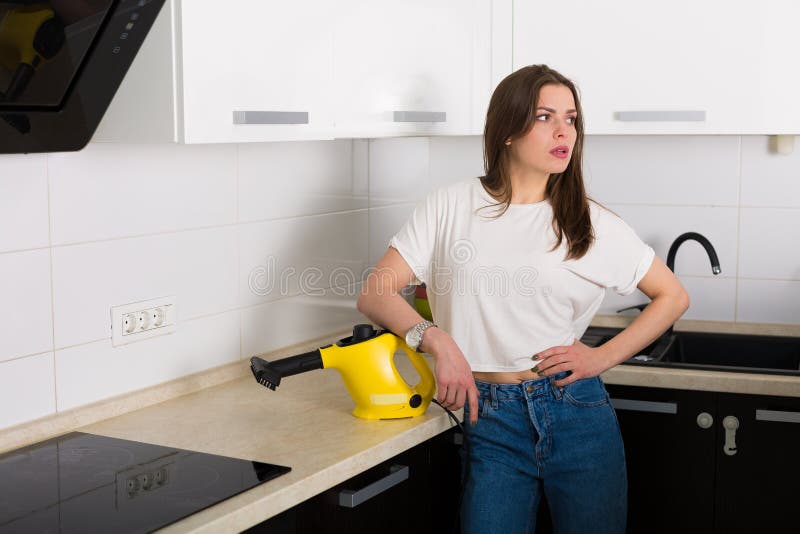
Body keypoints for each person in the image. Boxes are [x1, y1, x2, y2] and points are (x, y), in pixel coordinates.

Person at [356, 64, 689, 534]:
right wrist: (438, 342)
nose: (563, 131)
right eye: (544, 117)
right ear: (507, 130)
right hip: (488, 418)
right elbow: (376, 292)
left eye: (571, 119)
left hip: (574, 412)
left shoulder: (587, 223)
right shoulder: (451, 205)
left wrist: (599, 359)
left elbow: (672, 296)